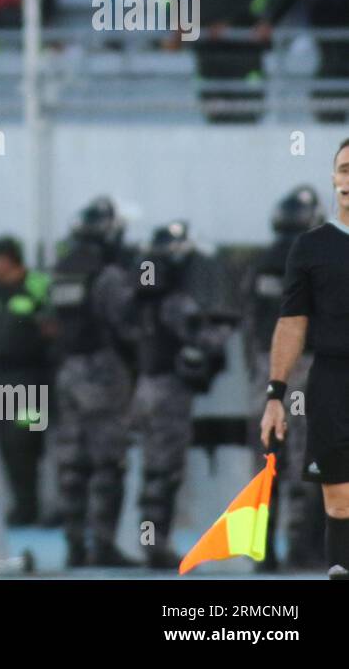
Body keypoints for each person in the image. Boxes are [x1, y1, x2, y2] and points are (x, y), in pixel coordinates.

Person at [260, 138, 349, 580]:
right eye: (344, 169)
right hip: (332, 376)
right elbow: (291, 323)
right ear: (334, 178)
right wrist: (275, 393)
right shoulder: (310, 247)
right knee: (337, 497)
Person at [131, 222, 235, 569]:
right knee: (165, 472)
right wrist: (223, 327)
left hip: (146, 387)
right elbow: (202, 338)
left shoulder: (145, 301)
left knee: (151, 470)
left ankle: (149, 541)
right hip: (169, 393)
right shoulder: (176, 302)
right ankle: (156, 545)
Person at [50, 197, 140, 568]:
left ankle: (74, 546)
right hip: (103, 371)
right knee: (107, 462)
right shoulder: (110, 275)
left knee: (73, 464)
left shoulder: (62, 270)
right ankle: (102, 545)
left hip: (67, 371)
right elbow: (126, 325)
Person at [246, 186, 325, 570]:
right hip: (303, 368)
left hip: (265, 369)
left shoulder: (261, 263)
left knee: (265, 461)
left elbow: (249, 321)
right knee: (302, 460)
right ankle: (299, 548)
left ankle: (261, 551)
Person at [0, 235, 52, 527]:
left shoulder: (37, 284)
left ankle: (32, 507)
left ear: (7, 260)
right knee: (8, 444)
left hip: (31, 380)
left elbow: (51, 322)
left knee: (27, 442)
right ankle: (22, 507)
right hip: (2, 379)